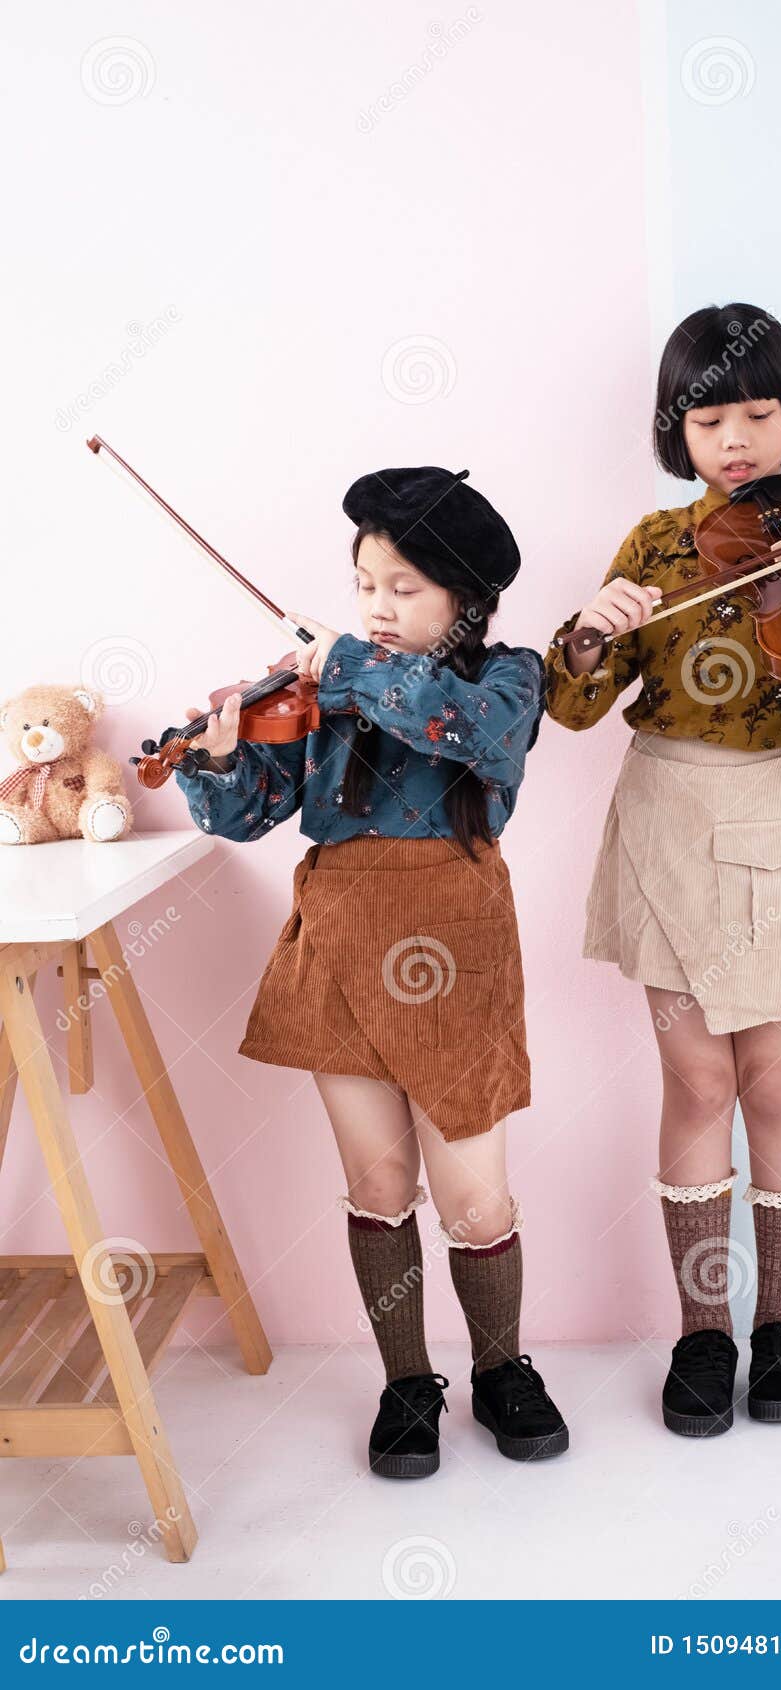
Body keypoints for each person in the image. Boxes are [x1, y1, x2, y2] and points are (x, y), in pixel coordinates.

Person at [542, 304, 781, 1437]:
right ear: (677, 429)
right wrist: (587, 636)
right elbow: (568, 709)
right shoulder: (655, 546)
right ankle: (704, 1331)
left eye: (759, 412)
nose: (738, 438)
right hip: (671, 817)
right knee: (697, 1084)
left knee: (777, 1084)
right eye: (710, 418)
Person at [175, 465, 568, 1478]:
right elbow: (244, 816)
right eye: (364, 584)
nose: (377, 607)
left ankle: (502, 1367)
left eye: (404, 587)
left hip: (456, 946)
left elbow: (471, 734)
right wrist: (214, 758)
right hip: (340, 933)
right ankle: (406, 1382)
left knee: (475, 1201)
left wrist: (347, 663)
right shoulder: (324, 682)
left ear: (465, 599)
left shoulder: (508, 677)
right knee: (379, 1180)